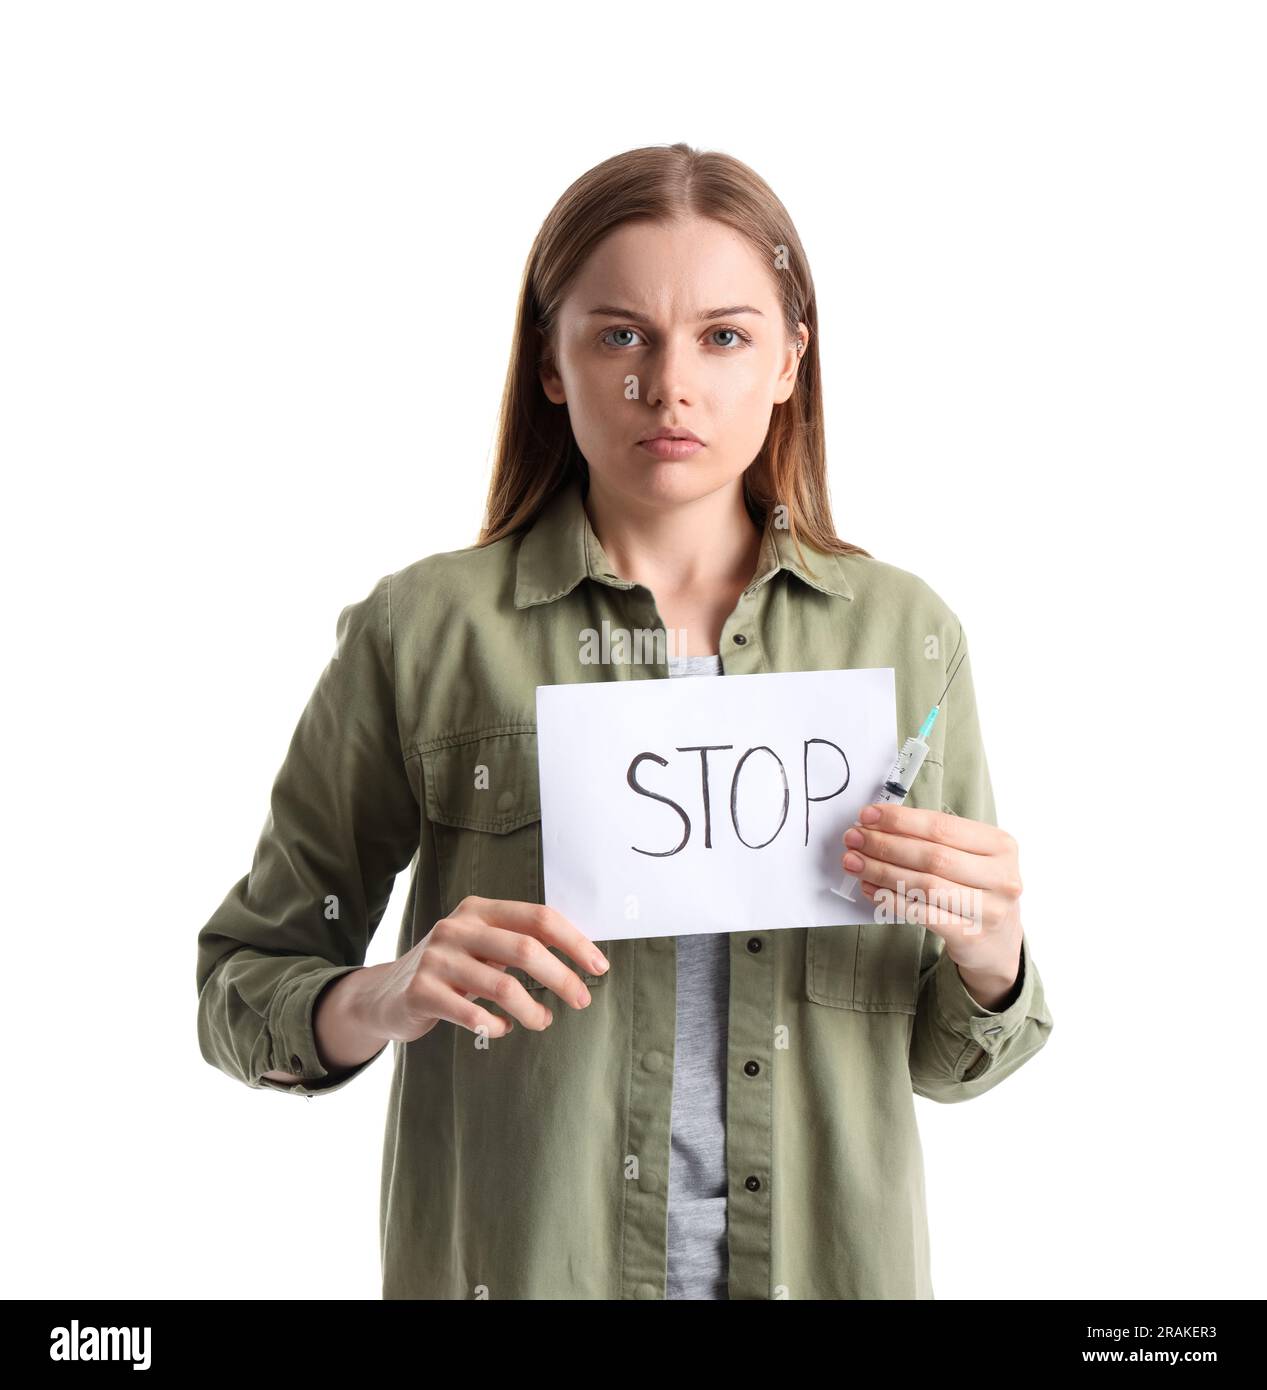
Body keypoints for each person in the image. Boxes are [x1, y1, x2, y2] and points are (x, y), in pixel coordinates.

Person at [195, 141, 1053, 1301]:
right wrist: (385, 992)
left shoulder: (909, 638)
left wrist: (989, 953)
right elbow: (245, 984)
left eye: (724, 335)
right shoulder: (423, 631)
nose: (671, 384)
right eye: (619, 335)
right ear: (551, 362)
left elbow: (950, 1062)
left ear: (792, 359)